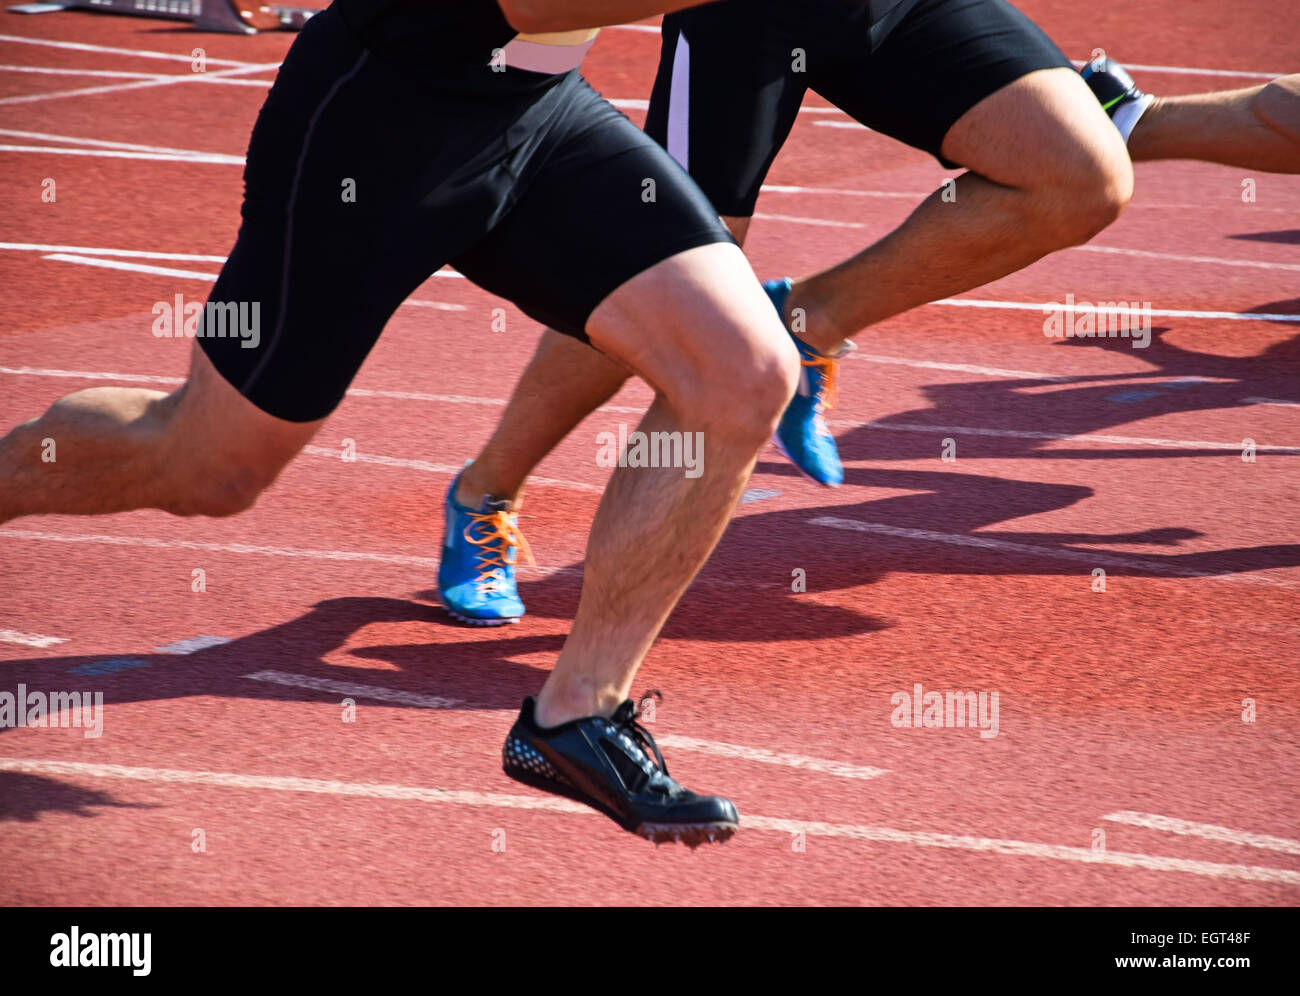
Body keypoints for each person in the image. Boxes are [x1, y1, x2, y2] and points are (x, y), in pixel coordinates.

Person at [0, 0, 806, 847]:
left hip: (538, 110)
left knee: (744, 372)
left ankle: (576, 715)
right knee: (209, 469)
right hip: (382, 106)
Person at [438, 0, 1300, 625]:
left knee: (1080, 175)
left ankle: (808, 322)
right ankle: (487, 492)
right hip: (750, 16)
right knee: (656, 276)